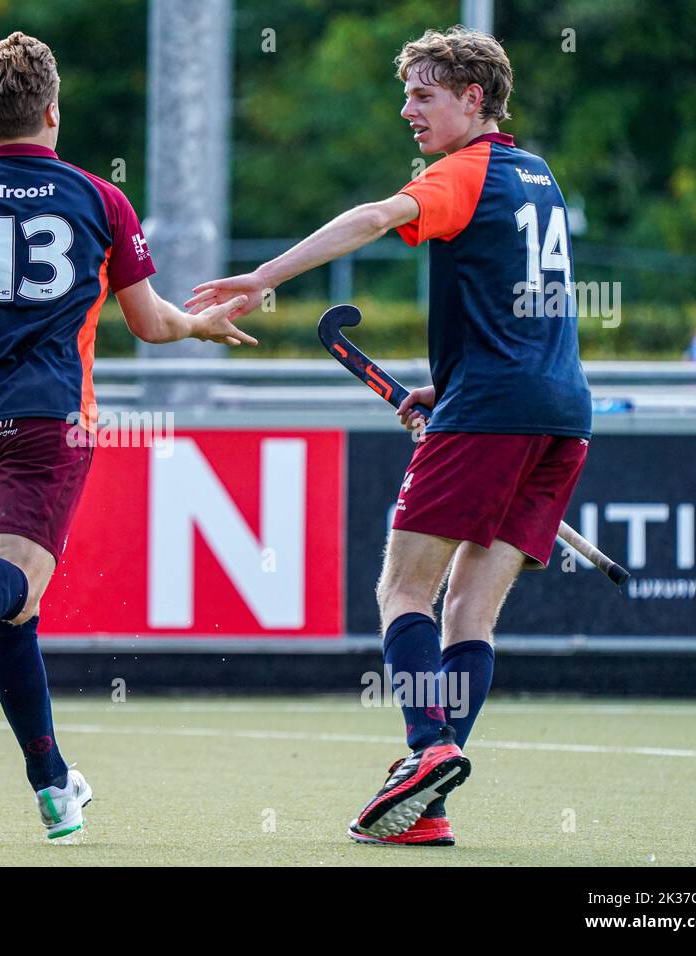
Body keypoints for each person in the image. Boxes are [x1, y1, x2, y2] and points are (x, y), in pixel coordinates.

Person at [188, 26, 592, 846]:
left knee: (404, 590)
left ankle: (424, 748)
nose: (408, 110)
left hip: (493, 412)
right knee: (470, 615)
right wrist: (447, 386)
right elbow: (522, 312)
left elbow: (375, 216)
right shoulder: (539, 175)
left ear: (473, 98)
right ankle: (426, 801)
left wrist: (263, 278)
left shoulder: (463, 172)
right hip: (559, 413)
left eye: (424, 95)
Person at [0, 32, 255, 842]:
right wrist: (199, 327)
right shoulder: (100, 200)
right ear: (52, 110)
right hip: (51, 415)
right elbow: (149, 325)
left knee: (17, 604)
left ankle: (53, 788)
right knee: (14, 582)